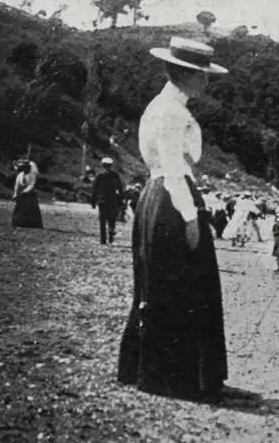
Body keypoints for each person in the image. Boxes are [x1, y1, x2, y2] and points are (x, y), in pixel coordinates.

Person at [117, 37, 229, 400]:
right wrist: (190, 217)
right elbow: (171, 167)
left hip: (161, 195)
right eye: (201, 75)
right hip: (170, 197)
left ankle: (153, 370)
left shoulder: (165, 105)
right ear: (184, 73)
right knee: (182, 285)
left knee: (164, 284)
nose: (206, 82)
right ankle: (174, 376)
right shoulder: (171, 111)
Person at [91, 156, 124, 244]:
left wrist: (93, 201)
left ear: (102, 165)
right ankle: (111, 231)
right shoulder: (115, 175)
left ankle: (103, 240)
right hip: (112, 200)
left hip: (102, 201)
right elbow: (120, 188)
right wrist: (120, 201)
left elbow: (95, 189)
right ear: (111, 165)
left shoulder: (99, 176)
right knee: (112, 218)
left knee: (102, 220)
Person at [11, 158, 43, 228]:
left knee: (31, 208)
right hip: (21, 195)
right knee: (19, 209)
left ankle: (32, 224)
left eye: (27, 168)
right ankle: (19, 223)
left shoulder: (32, 175)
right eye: (23, 168)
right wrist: (15, 194)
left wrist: (25, 191)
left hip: (30, 195)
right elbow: (17, 186)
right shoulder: (20, 175)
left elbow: (32, 185)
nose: (25, 169)